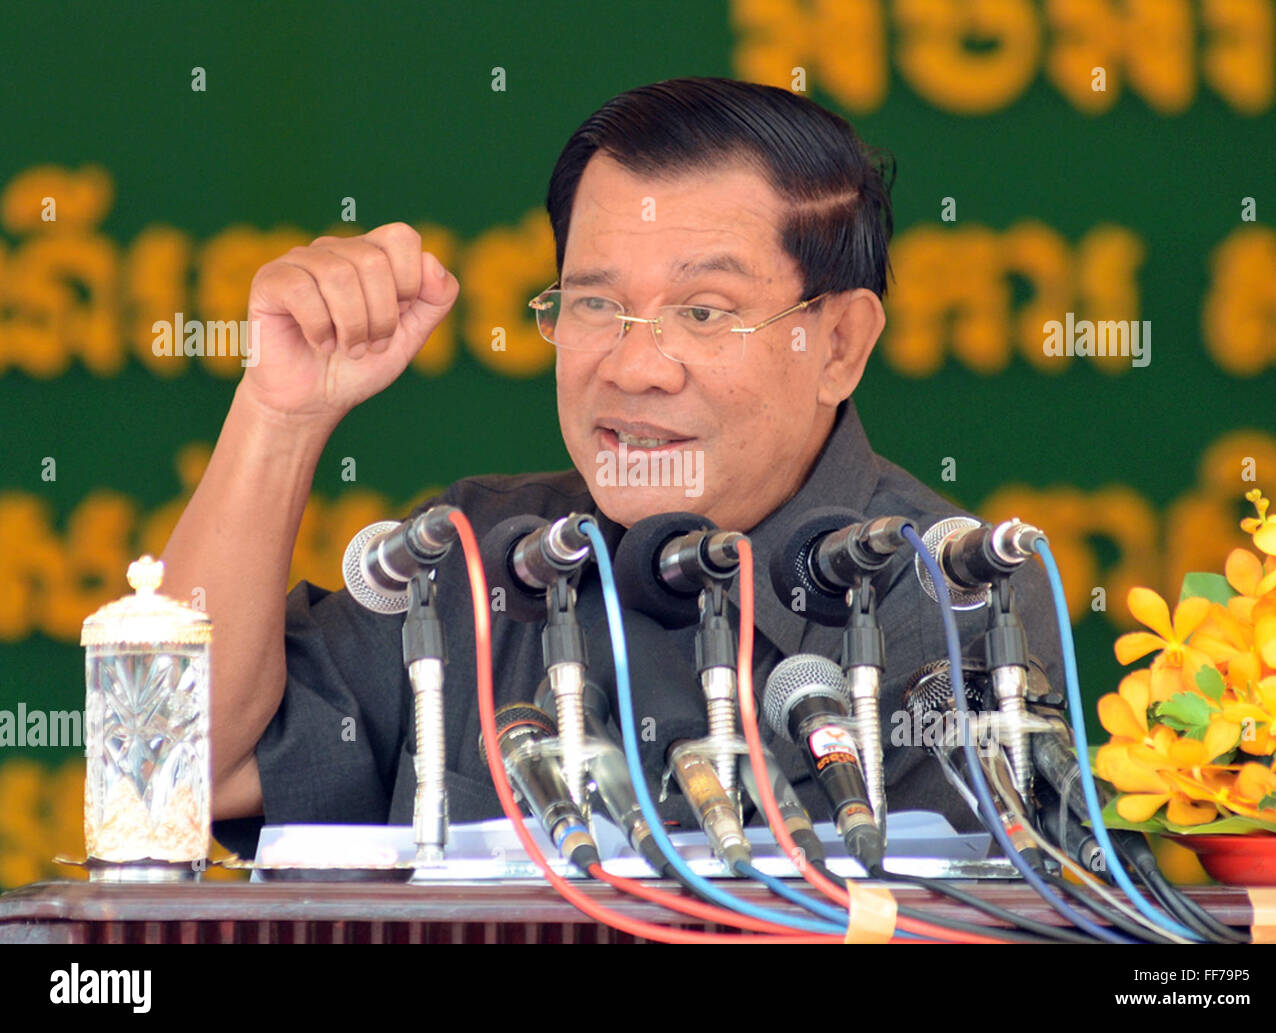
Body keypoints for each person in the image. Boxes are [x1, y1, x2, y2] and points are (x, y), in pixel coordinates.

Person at [159, 77, 1063, 860]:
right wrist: (280, 413)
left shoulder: (944, 595)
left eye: (705, 312)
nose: (635, 367)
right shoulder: (475, 559)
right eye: (596, 302)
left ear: (839, 343)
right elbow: (182, 770)